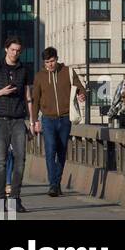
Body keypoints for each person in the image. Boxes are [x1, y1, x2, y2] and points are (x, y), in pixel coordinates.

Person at [0, 35, 34, 213]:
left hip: (19, 120)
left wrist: (32, 122)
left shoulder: (24, 70)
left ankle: (15, 199)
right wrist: (2, 91)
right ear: (6, 49)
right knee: (1, 161)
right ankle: (0, 200)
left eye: (18, 51)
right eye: (12, 50)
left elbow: (28, 98)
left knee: (21, 160)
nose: (15, 53)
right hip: (0, 120)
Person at [31, 46, 87, 197]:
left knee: (61, 151)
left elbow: (80, 87)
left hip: (65, 118)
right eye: (47, 62)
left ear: (57, 59)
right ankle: (53, 185)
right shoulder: (39, 76)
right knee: (50, 150)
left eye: (52, 61)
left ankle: (57, 182)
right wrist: (34, 120)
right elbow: (35, 100)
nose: (50, 64)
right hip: (48, 119)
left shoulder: (67, 71)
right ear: (44, 62)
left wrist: (81, 95)